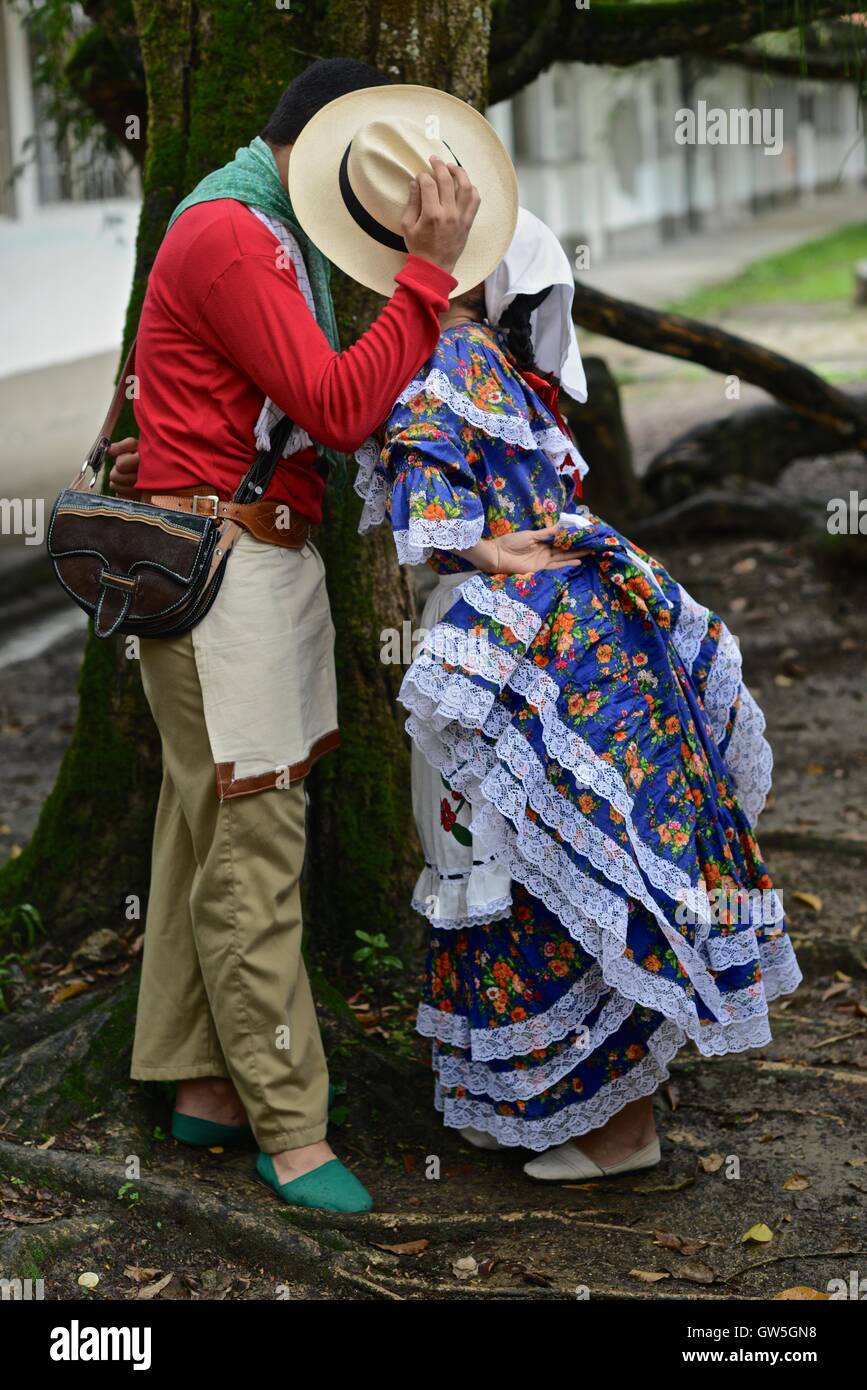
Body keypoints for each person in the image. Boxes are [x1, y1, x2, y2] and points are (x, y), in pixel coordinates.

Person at [106, 62, 503, 1215]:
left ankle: (203, 1084)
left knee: (207, 838)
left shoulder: (245, 225)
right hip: (224, 580)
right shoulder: (239, 238)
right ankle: (289, 1129)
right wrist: (423, 278)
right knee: (256, 858)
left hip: (234, 566)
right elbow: (336, 408)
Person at [349, 206, 802, 1178]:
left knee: (545, 871)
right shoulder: (497, 369)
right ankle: (530, 1108)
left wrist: (469, 545)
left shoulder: (455, 359)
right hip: (531, 641)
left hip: (520, 649)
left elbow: (433, 512)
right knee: (528, 863)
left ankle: (615, 1130)